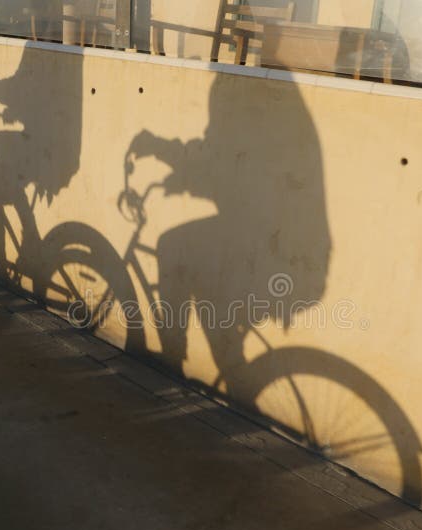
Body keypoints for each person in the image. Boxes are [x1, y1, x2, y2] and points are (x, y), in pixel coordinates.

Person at [127, 74, 332, 376]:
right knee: (205, 273)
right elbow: (227, 166)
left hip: (271, 239)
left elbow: (214, 159)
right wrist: (183, 178)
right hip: (290, 237)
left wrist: (158, 148)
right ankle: (232, 367)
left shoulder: (239, 90)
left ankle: (172, 357)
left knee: (171, 246)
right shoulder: (276, 101)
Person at [0, 42, 82, 282]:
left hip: (47, 145)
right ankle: (29, 239)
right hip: (57, 141)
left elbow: (21, 86)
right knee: (1, 146)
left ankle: (3, 269)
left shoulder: (41, 44)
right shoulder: (56, 45)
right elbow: (36, 90)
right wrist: (17, 111)